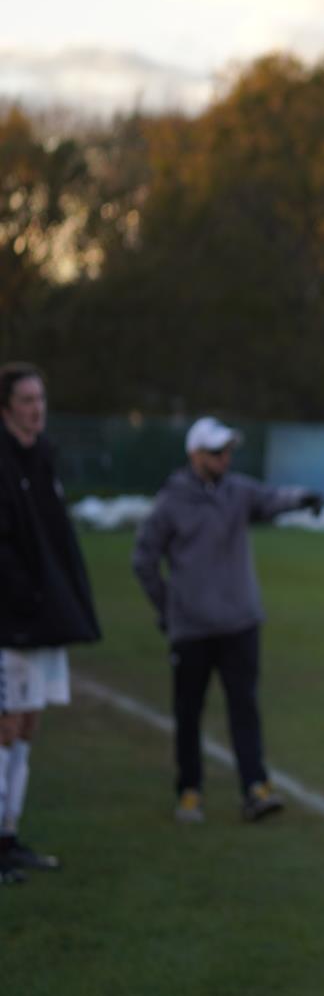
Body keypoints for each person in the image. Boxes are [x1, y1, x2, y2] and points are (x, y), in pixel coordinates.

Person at [131, 417, 323, 823]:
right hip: (192, 629)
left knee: (245, 709)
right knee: (188, 713)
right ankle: (189, 790)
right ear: (195, 455)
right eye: (217, 451)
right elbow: (143, 559)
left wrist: (303, 497)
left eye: (228, 451)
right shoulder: (172, 501)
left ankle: (255, 787)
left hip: (240, 622)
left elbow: (271, 499)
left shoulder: (238, 491)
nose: (225, 458)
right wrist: (169, 609)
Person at [0, 362, 101, 885]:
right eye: (26, 401)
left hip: (41, 620)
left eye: (40, 399)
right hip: (10, 621)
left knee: (28, 726)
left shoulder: (43, 458)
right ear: (6, 408)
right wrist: (24, 596)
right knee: (5, 726)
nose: (37, 409)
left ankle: (10, 836)